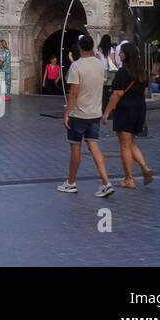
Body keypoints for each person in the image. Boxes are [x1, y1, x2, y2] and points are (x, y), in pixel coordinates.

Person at [58, 35, 114, 198]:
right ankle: (106, 182)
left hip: (79, 114)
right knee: (94, 146)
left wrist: (67, 112)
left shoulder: (76, 66)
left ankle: (71, 182)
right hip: (95, 112)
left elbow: (74, 92)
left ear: (80, 47)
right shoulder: (99, 65)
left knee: (76, 147)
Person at [102, 42, 154, 189]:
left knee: (124, 145)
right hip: (139, 108)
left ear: (127, 54)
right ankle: (144, 167)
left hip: (125, 109)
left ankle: (129, 179)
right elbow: (144, 92)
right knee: (131, 142)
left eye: (121, 53)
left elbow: (117, 94)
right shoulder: (142, 72)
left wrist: (106, 112)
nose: (119, 55)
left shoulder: (123, 72)